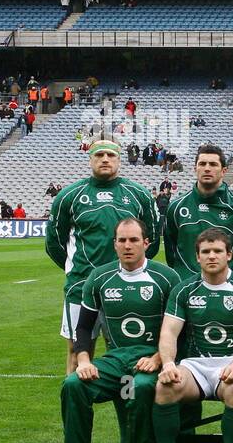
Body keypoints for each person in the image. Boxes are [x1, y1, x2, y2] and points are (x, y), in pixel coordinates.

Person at [53, 218, 181, 443]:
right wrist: (85, 359)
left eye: (134, 240)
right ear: (114, 244)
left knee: (143, 386)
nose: (127, 245)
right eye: (122, 240)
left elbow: (180, 329)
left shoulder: (166, 277)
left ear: (147, 243)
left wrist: (158, 358)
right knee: (74, 385)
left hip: (150, 357)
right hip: (114, 359)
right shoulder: (99, 277)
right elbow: (84, 328)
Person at [151, 228, 233, 443]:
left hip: (230, 364)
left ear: (229, 255)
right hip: (195, 366)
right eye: (206, 252)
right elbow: (168, 331)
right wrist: (168, 364)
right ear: (197, 257)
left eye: (218, 251)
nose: (212, 256)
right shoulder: (184, 289)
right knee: (164, 386)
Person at [46, 140, 160, 376]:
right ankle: (75, 408)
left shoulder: (138, 195)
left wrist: (130, 271)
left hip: (126, 287)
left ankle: (125, 410)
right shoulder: (69, 196)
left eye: (110, 155)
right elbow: (54, 243)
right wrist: (74, 269)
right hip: (80, 285)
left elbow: (152, 241)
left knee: (121, 352)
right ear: (90, 159)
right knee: (76, 351)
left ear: (119, 160)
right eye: (99, 155)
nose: (105, 159)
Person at [163, 144, 233, 279]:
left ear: (224, 171)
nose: (207, 168)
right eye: (202, 164)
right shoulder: (176, 207)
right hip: (187, 288)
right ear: (195, 169)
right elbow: (171, 253)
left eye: (213, 164)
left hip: (227, 289)